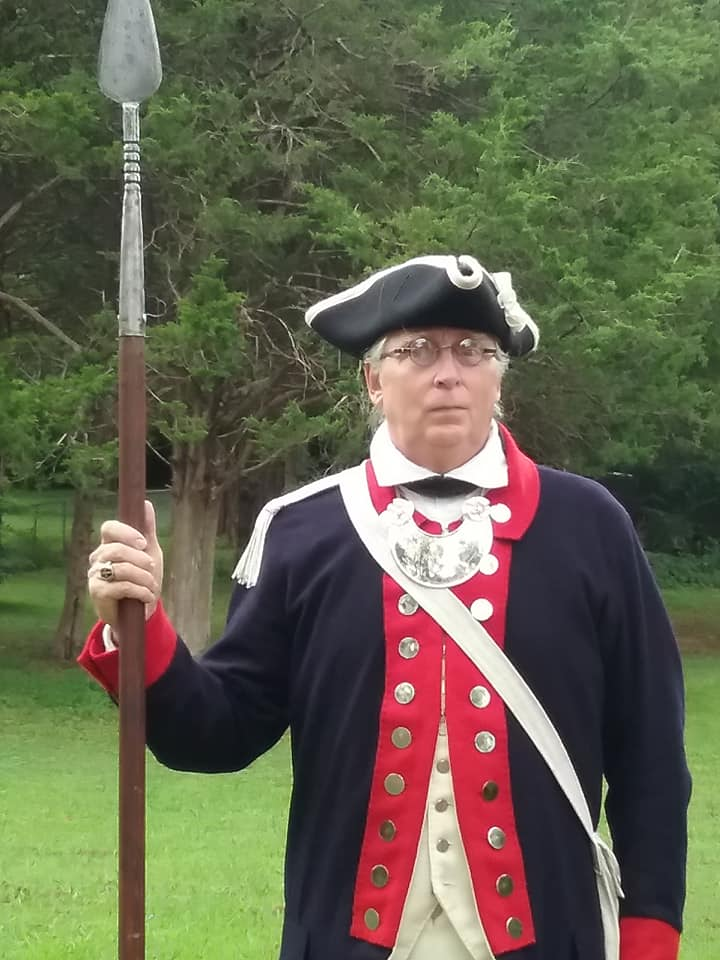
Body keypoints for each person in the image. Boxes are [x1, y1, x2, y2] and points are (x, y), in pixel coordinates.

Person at [80, 254, 690, 960]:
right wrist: (141, 622)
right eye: (417, 351)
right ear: (373, 380)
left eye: (473, 351)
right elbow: (217, 731)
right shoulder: (302, 530)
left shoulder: (590, 525)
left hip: (551, 938)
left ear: (499, 379)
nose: (448, 372)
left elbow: (649, 756)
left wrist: (650, 933)